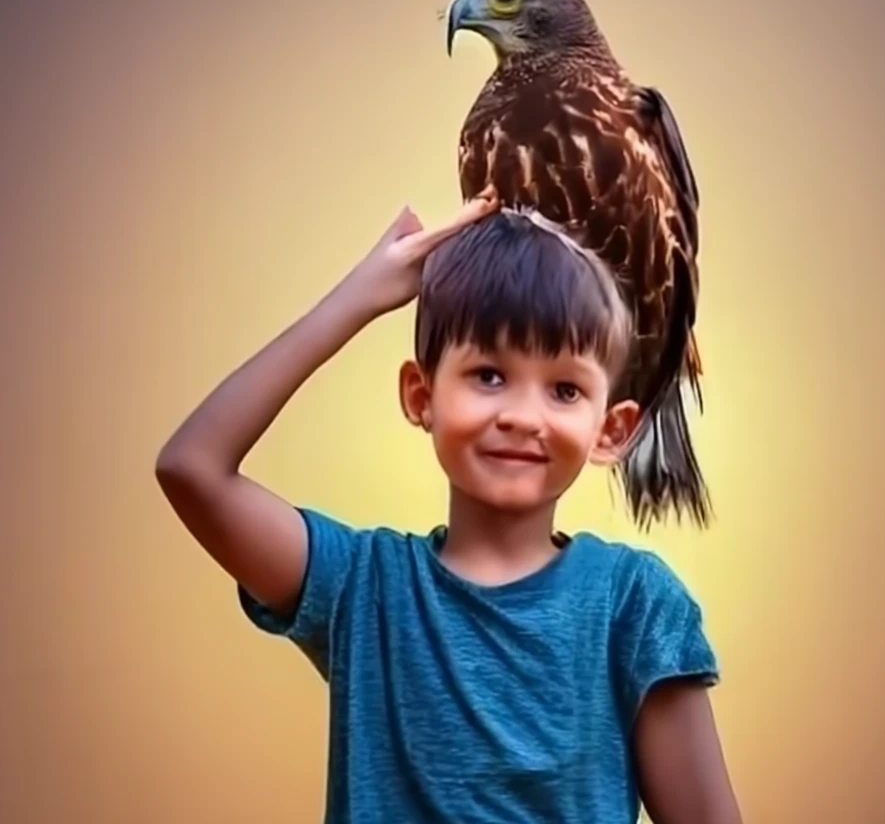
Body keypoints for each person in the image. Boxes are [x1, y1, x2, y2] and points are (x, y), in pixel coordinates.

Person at [155, 190, 743, 824]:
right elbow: (192, 468)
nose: (521, 417)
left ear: (611, 429)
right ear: (420, 394)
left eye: (565, 389)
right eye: (489, 374)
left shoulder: (635, 605)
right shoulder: (360, 585)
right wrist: (359, 296)